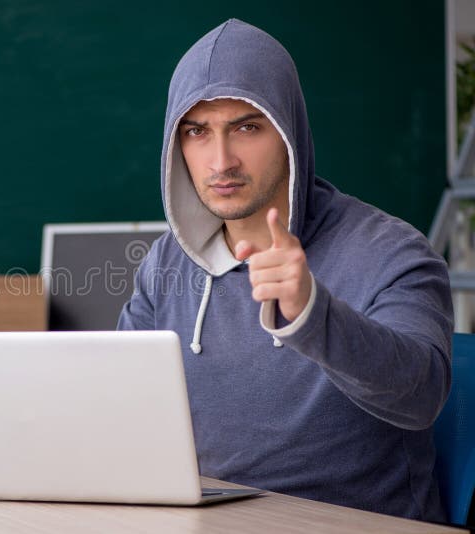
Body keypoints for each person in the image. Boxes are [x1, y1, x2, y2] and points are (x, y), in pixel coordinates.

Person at [117, 19, 453, 522]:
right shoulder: (164, 264)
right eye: (197, 132)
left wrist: (311, 314)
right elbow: (119, 407)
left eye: (246, 127)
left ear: (289, 131)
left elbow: (422, 396)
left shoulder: (392, 251)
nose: (220, 161)